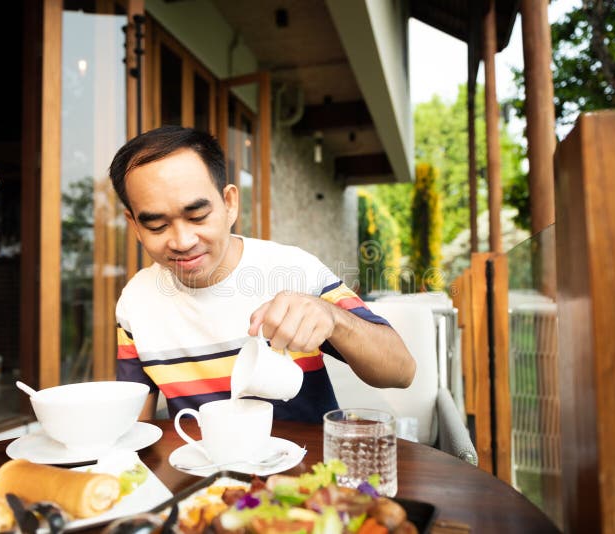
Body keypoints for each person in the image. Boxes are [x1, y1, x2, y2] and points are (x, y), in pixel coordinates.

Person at [109, 125, 416, 423]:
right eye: (156, 226)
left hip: (304, 469)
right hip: (202, 473)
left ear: (229, 204)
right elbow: (135, 426)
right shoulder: (136, 302)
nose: (182, 241)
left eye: (197, 216)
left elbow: (401, 371)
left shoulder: (292, 270)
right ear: (135, 225)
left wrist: (333, 318)